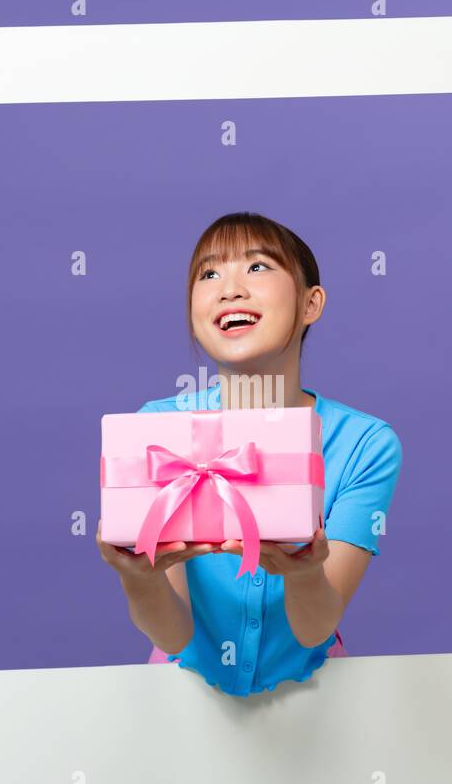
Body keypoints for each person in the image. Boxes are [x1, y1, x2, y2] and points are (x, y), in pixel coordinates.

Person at [96, 212, 402, 697]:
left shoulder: (365, 444)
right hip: (180, 698)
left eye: (258, 268)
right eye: (209, 274)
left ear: (311, 303)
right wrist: (138, 580)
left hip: (316, 704)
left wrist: (302, 572)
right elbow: (174, 636)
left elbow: (315, 627)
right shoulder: (155, 431)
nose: (229, 289)